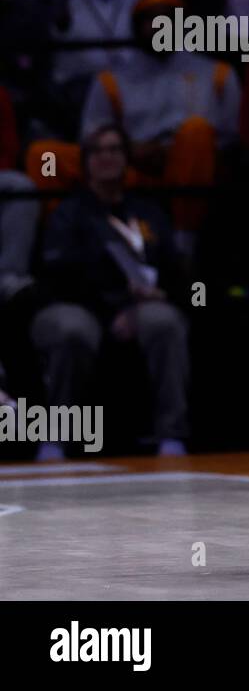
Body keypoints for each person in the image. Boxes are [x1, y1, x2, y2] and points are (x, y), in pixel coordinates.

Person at [31, 123, 190, 459]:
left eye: (115, 149)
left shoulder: (147, 212)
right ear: (86, 161)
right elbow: (57, 274)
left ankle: (171, 435)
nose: (107, 157)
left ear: (127, 158)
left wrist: (162, 295)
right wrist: (112, 307)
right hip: (77, 305)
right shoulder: (68, 213)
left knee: (165, 321)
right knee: (71, 329)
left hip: (139, 307)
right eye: (98, 151)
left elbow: (176, 271)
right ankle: (56, 436)